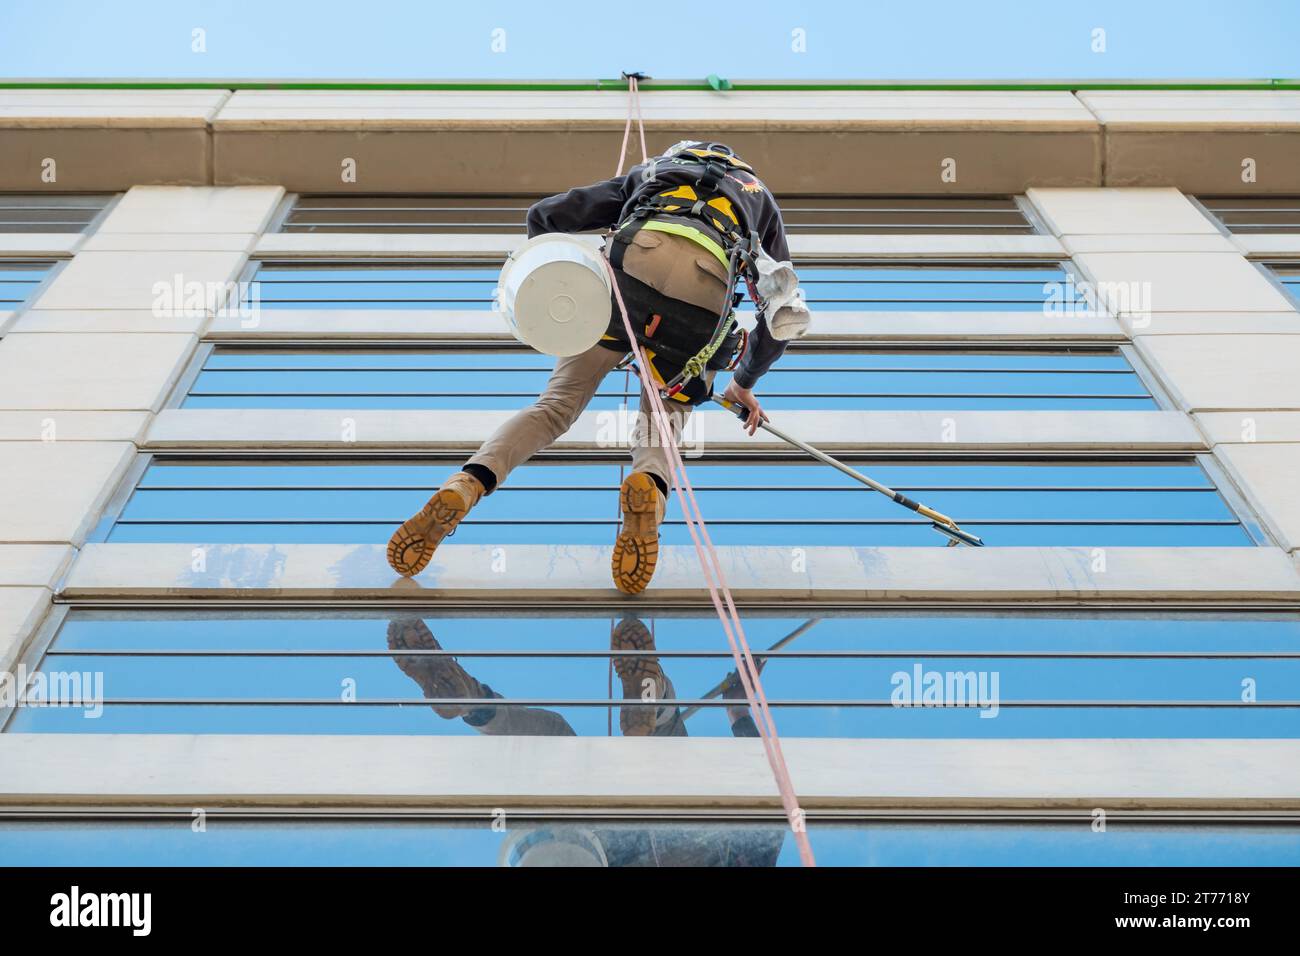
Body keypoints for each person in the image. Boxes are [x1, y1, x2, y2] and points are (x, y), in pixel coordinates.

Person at [387, 141, 805, 593]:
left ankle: (467, 483)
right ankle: (647, 484)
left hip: (630, 270)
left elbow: (546, 216)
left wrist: (556, 286)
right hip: (704, 296)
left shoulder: (656, 172)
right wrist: (744, 383)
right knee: (661, 425)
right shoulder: (758, 198)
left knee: (554, 408)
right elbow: (781, 307)